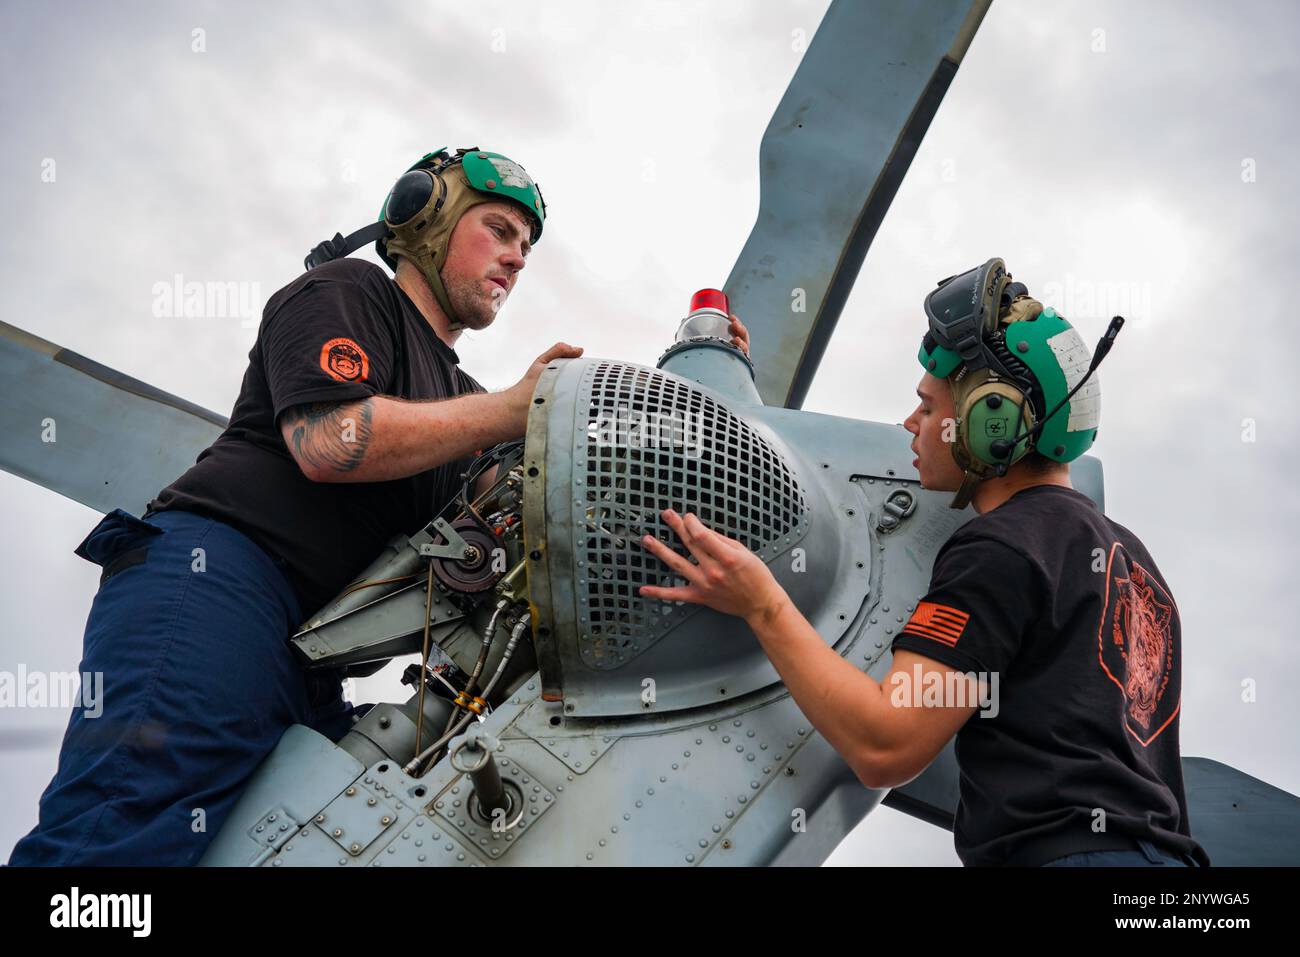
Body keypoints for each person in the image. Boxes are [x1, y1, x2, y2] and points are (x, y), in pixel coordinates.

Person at [12, 147, 647, 866]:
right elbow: (330, 441)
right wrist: (509, 411)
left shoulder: (467, 404)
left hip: (311, 660)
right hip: (216, 582)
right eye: (499, 229)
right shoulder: (348, 293)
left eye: (526, 246)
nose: (517, 257)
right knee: (118, 837)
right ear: (424, 218)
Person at [637, 258, 1209, 867]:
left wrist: (762, 602)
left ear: (994, 423)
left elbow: (888, 745)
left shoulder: (1004, 545)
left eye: (928, 407)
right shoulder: (1135, 565)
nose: (911, 425)